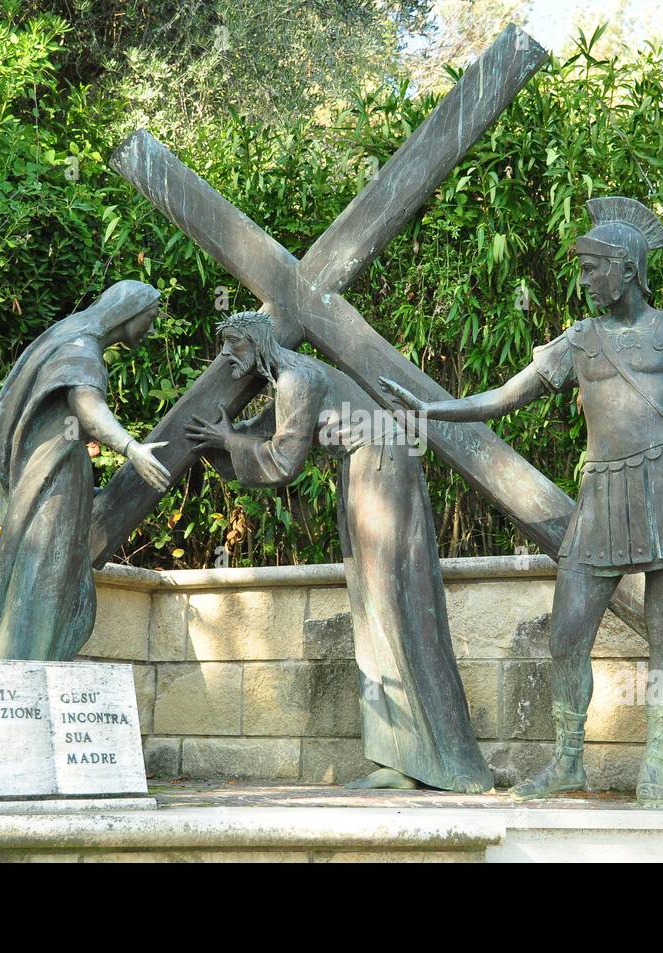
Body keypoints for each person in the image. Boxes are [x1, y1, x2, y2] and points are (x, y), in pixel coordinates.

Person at [380, 197, 663, 804]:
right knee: (567, 633)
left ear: (627, 267)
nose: (586, 281)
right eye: (584, 270)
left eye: (594, 269)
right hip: (603, 494)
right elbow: (505, 397)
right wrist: (429, 412)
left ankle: (653, 769)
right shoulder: (579, 341)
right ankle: (567, 760)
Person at [186, 310, 492, 793]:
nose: (227, 355)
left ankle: (436, 760)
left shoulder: (296, 378)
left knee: (392, 607)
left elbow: (284, 460)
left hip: (380, 467)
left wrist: (227, 440)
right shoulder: (291, 378)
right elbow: (270, 429)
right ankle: (401, 756)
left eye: (234, 345)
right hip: (368, 467)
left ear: (259, 342)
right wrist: (230, 436)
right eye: (224, 345)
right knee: (374, 610)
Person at [0, 280, 172, 661]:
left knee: (45, 571)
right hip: (54, 476)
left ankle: (25, 663)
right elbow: (87, 404)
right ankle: (22, 667)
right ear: (128, 314)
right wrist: (132, 448)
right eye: (149, 318)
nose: (151, 328)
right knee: (44, 571)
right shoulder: (80, 345)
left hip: (51, 471)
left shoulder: (68, 333)